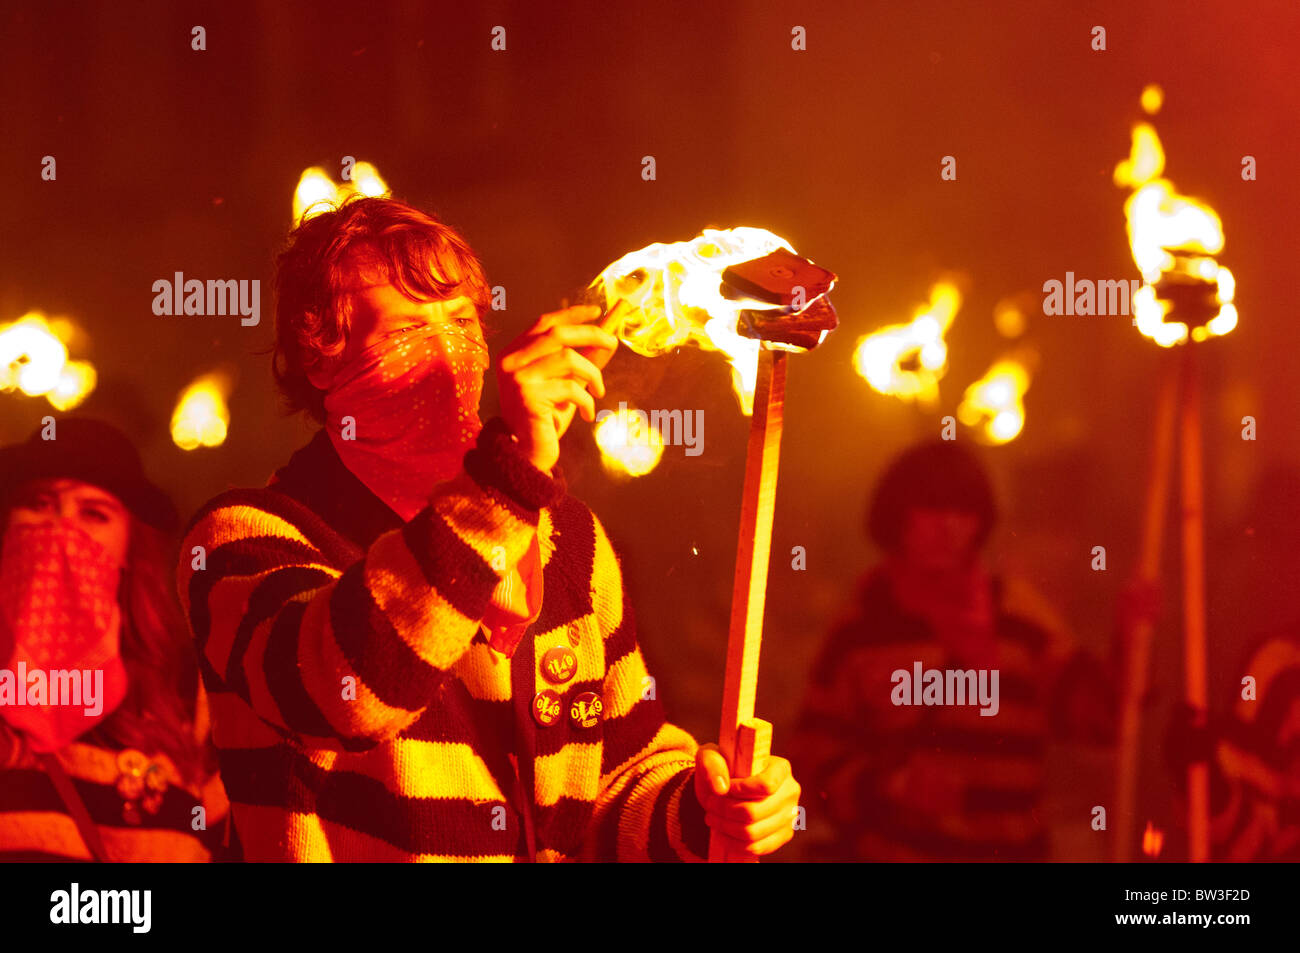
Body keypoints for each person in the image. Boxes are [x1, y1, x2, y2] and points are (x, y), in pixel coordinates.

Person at [177, 196, 800, 862]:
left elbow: (610, 780)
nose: (450, 354)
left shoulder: (568, 540)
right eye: (409, 331)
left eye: (463, 320)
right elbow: (347, 692)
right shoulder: (246, 536)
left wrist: (702, 811)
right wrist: (506, 480)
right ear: (320, 358)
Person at [792, 440, 1113, 861]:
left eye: (964, 512)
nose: (950, 526)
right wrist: (889, 785)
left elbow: (1099, 718)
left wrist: (1129, 642)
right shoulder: (862, 630)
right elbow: (813, 762)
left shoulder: (1019, 616)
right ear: (896, 517)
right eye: (932, 508)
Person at [0, 417, 227, 862]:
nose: (62, 530)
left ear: (128, 547)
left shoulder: (188, 700)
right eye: (40, 504)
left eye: (93, 513)